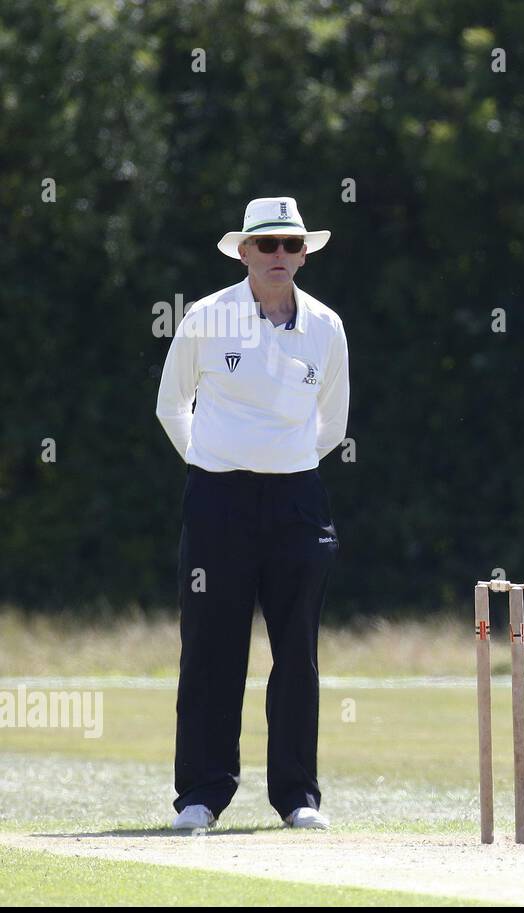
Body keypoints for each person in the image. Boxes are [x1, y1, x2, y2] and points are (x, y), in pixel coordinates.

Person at [155, 197, 350, 831]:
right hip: (217, 501)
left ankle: (297, 796)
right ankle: (201, 796)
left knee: (297, 647)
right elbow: (171, 405)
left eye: (290, 245)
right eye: (266, 245)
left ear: (303, 253)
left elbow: (332, 423)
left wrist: (283, 463)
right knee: (212, 645)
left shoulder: (326, 325)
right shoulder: (207, 319)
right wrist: (212, 463)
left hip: (297, 500)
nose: (279, 256)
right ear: (243, 251)